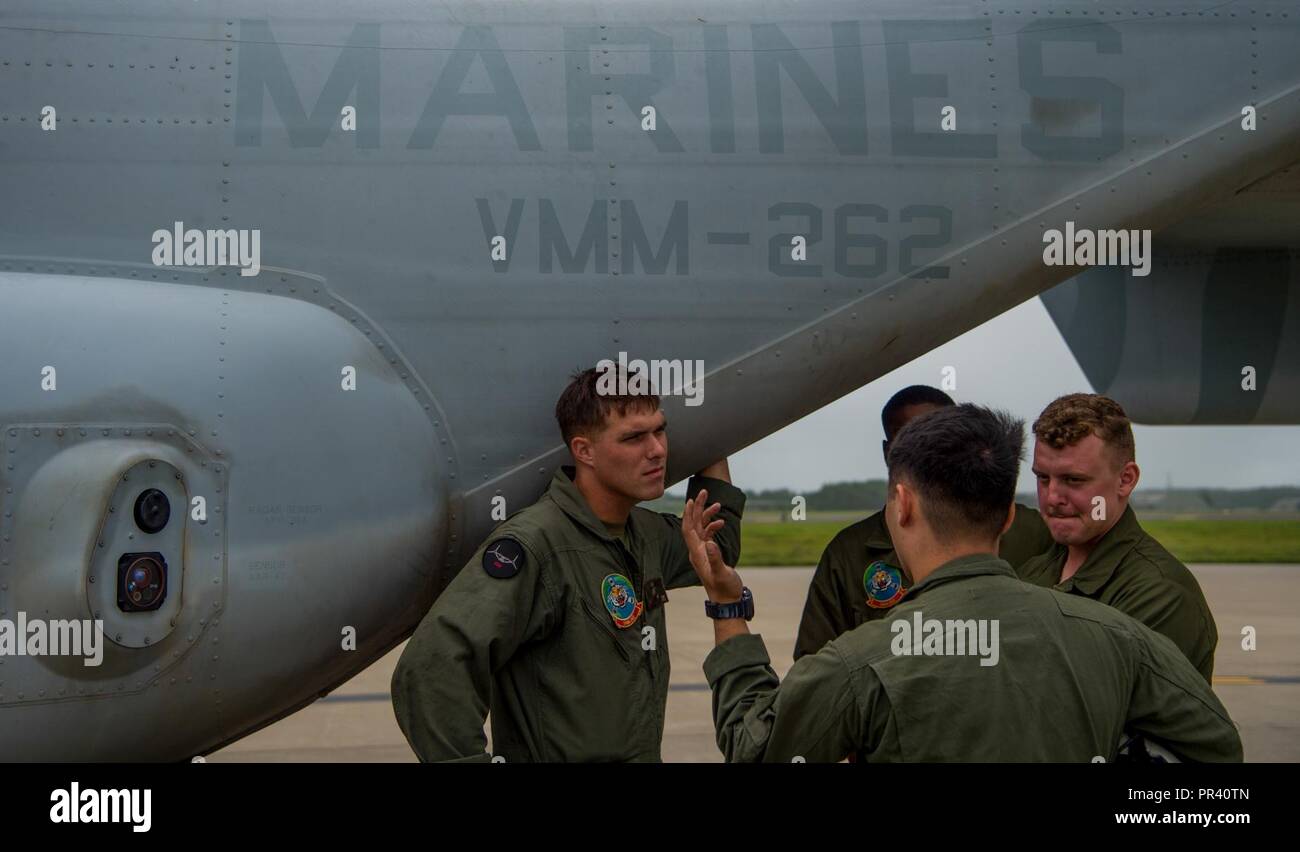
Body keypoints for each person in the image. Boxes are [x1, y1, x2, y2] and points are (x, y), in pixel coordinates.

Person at [685, 404, 1242, 762]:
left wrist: (727, 607)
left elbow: (750, 745)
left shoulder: (863, 661)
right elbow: (1216, 752)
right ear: (1007, 517)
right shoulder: (1116, 637)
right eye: (1045, 480)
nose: (1055, 494)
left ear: (900, 506)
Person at [391, 365, 744, 761]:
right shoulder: (535, 546)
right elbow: (428, 672)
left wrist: (719, 425)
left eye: (659, 430)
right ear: (584, 451)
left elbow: (719, 548)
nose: (657, 450)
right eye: (633, 438)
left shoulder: (644, 534)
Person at [795, 385, 1053, 660]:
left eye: (943, 439)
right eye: (908, 441)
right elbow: (815, 668)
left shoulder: (1034, 532)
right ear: (888, 453)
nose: (925, 452)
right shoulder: (849, 553)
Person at [1018, 394, 1218, 683]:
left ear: (1125, 480)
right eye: (1043, 478)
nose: (1052, 498)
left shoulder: (1162, 596)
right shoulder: (1034, 571)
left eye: (1074, 480)